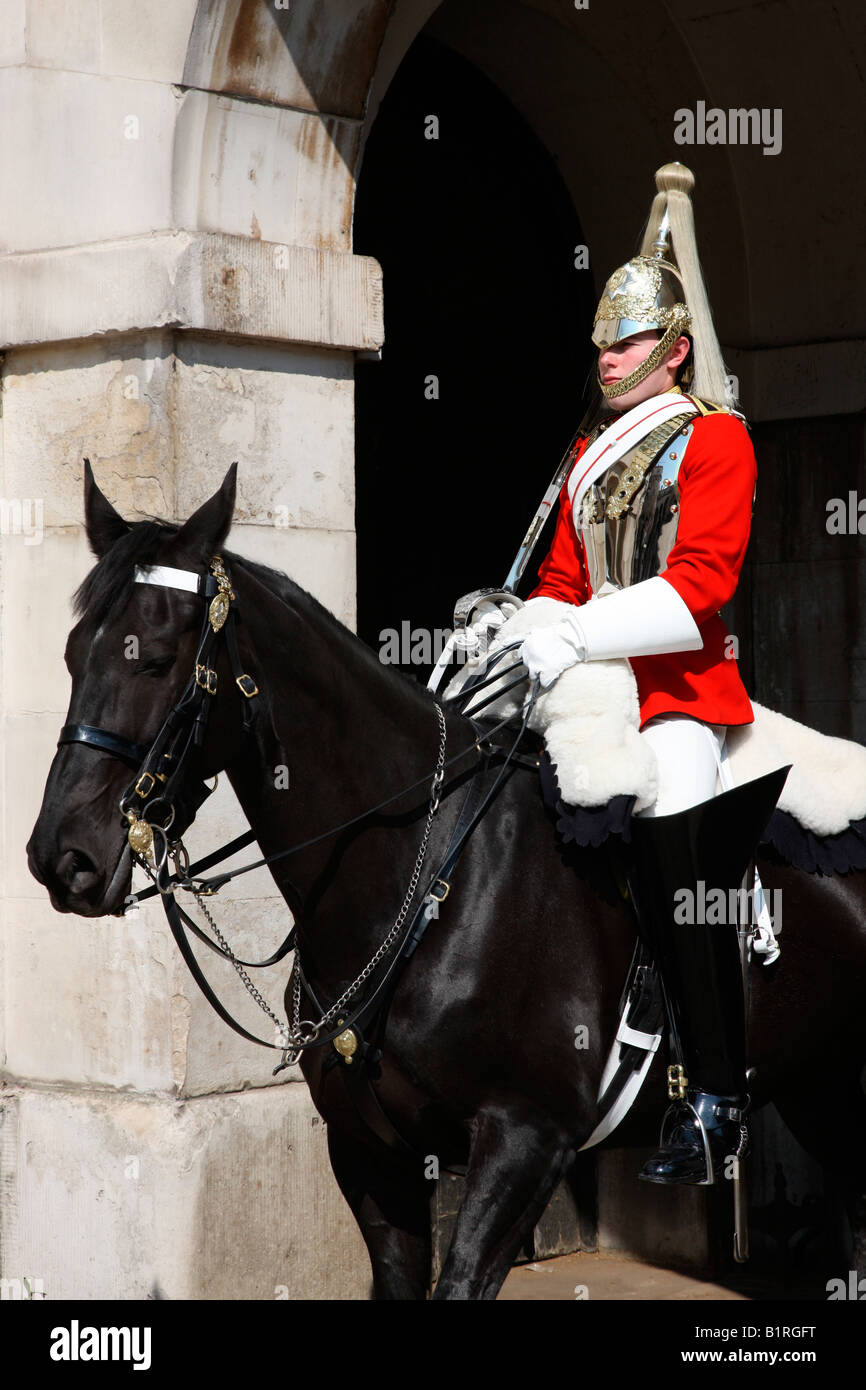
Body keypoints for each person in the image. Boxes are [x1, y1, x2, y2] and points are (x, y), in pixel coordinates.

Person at [518, 162, 784, 1186]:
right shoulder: (587, 457)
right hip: (585, 686)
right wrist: (514, 628)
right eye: (598, 339)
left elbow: (697, 591)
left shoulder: (712, 441)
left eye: (624, 340)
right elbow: (557, 578)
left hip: (679, 696)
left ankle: (714, 1098)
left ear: (673, 348)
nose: (605, 354)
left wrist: (573, 635)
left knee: (678, 840)